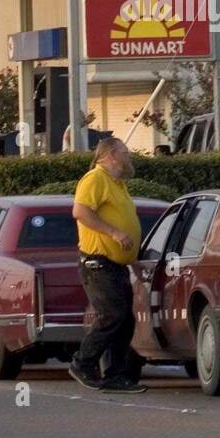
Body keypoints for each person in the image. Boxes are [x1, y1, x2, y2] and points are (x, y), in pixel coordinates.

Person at [69, 137, 146, 393]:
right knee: (112, 314)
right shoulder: (95, 178)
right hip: (97, 263)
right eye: (125, 151)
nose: (129, 156)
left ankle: (115, 374)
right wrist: (114, 233)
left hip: (116, 264)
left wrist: (132, 260)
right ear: (111, 154)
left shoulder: (118, 184)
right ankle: (83, 363)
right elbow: (80, 212)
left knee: (125, 320)